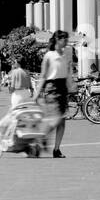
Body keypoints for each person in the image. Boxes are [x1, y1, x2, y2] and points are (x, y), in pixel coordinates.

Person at [36, 29, 75, 158]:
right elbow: (43, 75)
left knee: (62, 121)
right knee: (56, 119)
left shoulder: (66, 54)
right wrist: (36, 94)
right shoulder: (49, 55)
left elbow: (68, 72)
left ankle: (56, 149)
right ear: (58, 40)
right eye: (64, 40)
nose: (66, 42)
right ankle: (42, 139)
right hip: (51, 87)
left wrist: (71, 86)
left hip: (63, 87)